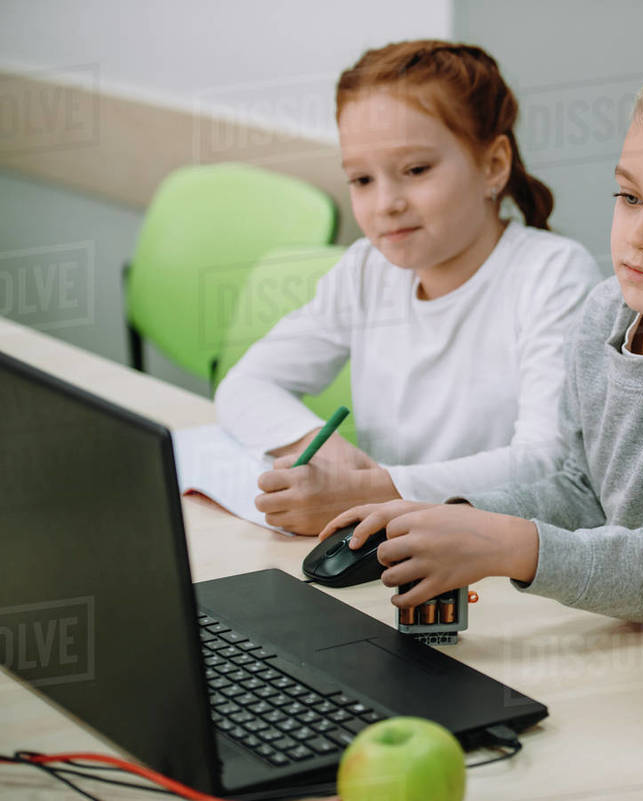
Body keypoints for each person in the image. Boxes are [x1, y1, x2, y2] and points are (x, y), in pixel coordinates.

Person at [317, 40, 643, 626]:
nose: (639, 236)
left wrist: (513, 548)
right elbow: (583, 489)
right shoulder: (605, 310)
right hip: (635, 638)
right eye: (629, 196)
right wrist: (453, 516)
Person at [214, 41, 601, 535]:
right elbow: (244, 386)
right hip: (390, 550)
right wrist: (328, 454)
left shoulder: (554, 275)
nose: (386, 204)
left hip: (501, 564)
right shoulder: (365, 270)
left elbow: (546, 464)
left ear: (493, 165)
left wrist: (376, 489)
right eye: (361, 179)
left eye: (416, 170)